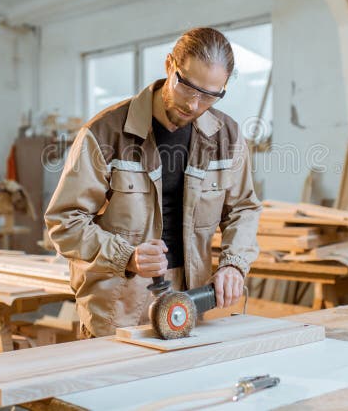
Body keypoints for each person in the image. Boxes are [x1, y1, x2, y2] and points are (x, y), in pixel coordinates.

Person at [45, 27, 261, 338]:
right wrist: (126, 255)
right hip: (119, 301)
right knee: (113, 384)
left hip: (190, 299)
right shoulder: (105, 133)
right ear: (169, 65)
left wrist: (234, 264)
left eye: (210, 95)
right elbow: (64, 222)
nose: (194, 104)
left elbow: (244, 208)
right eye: (188, 87)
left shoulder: (227, 136)